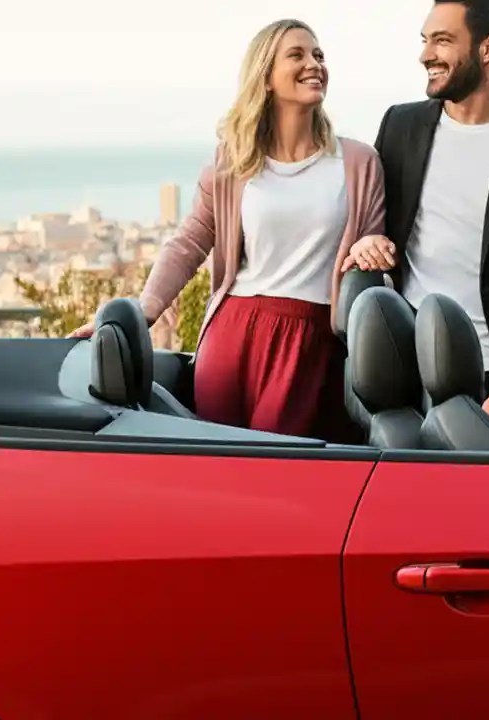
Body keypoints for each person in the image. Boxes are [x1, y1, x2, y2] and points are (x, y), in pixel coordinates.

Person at [72, 19, 386, 441]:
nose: (313, 64)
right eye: (297, 55)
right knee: (218, 470)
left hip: (310, 341)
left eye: (318, 55)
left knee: (279, 469)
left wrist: (372, 245)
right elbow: (190, 242)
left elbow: (371, 241)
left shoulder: (358, 163)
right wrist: (140, 312)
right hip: (232, 332)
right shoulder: (233, 163)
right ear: (267, 78)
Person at [345, 0, 489, 450]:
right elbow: (372, 224)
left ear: (488, 47)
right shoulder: (401, 125)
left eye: (442, 40)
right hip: (409, 376)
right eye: (425, 40)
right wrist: (369, 240)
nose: (425, 54)